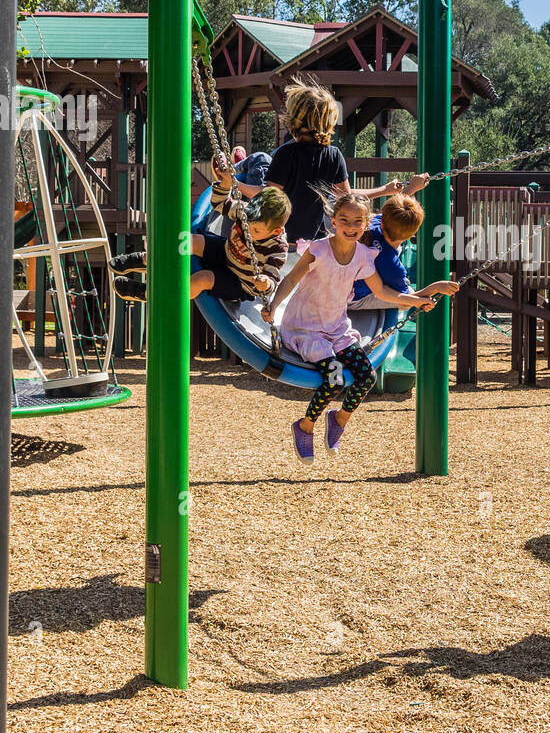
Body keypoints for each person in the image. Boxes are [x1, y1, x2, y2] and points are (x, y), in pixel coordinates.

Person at [262, 192, 436, 462]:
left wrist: (417, 301)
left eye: (357, 222)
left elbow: (384, 293)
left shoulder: (365, 257)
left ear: (367, 224)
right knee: (335, 380)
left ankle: (339, 419)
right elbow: (292, 279)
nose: (351, 227)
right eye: (344, 220)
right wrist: (273, 306)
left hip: (336, 327)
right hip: (306, 328)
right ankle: (305, 426)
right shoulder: (318, 250)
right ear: (333, 221)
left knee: (366, 377)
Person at [233, 78, 423, 244]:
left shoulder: (287, 154)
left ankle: (239, 165)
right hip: (310, 239)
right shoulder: (334, 155)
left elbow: (266, 197)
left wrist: (234, 183)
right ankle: (243, 162)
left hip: (279, 235)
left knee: (260, 160)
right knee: (261, 161)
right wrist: (384, 190)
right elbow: (346, 197)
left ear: (294, 121)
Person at [112, 175, 291, 305]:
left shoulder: (277, 248)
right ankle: (146, 260)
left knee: (203, 278)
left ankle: (150, 294)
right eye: (247, 224)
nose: (249, 230)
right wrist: (226, 183)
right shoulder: (246, 212)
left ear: (275, 230)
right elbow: (220, 203)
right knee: (188, 241)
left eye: (257, 230)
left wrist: (265, 282)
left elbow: (272, 277)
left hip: (241, 282)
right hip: (227, 252)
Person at [348, 191, 459, 310]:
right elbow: (407, 300)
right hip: (352, 299)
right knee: (406, 297)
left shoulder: (374, 223)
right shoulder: (392, 267)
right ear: (410, 236)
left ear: (383, 223)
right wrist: (435, 288)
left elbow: (390, 214)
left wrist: (412, 187)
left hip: (342, 282)